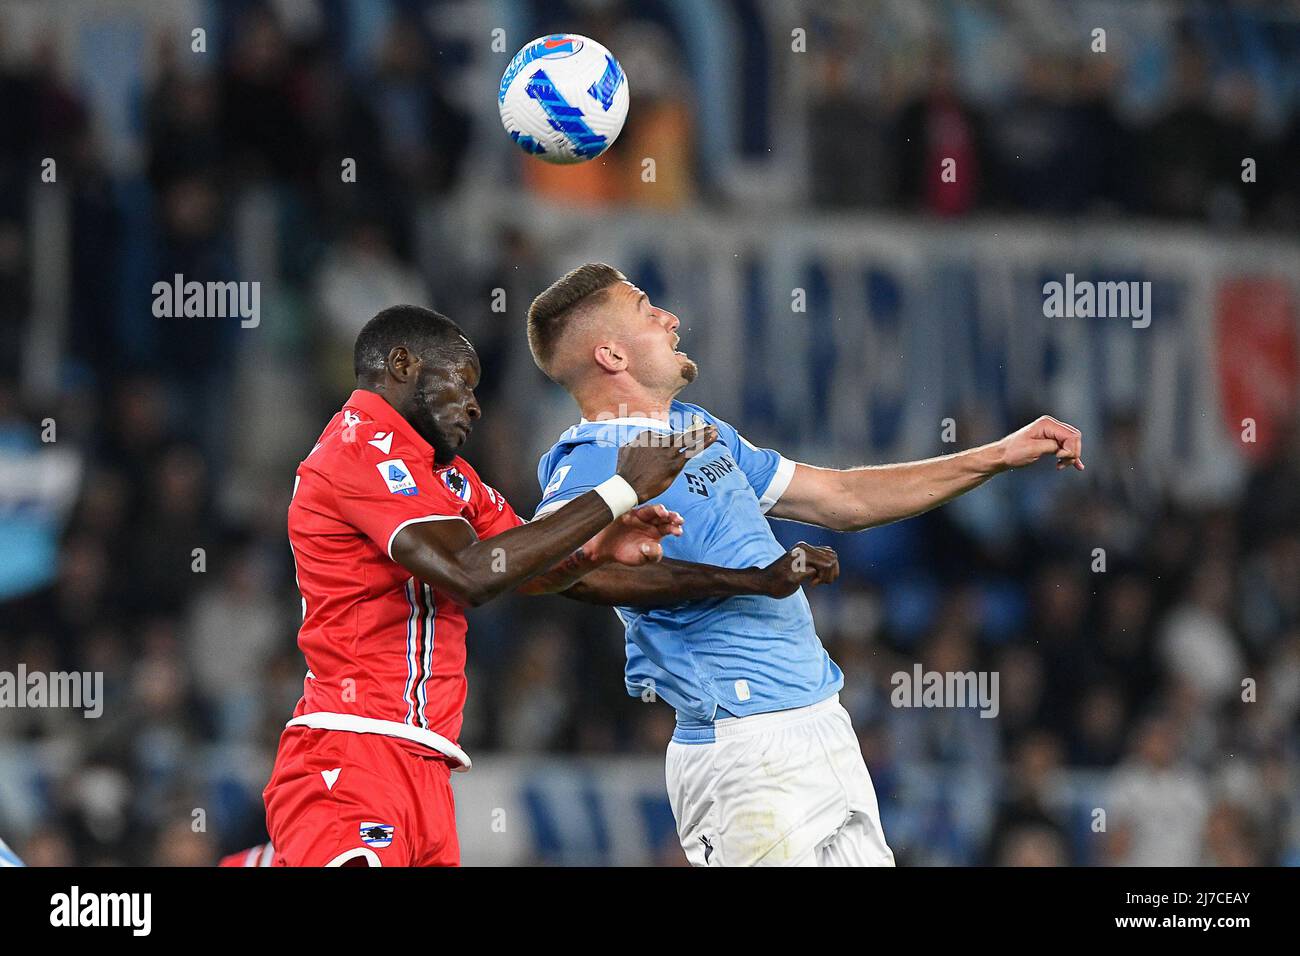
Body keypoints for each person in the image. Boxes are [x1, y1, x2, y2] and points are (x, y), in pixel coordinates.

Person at [526, 263, 1086, 866]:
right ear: (609, 353)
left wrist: (996, 456)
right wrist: (741, 583)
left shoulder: (696, 429)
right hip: (742, 742)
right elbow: (545, 564)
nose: (670, 318)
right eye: (646, 309)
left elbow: (841, 498)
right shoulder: (587, 460)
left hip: (821, 720)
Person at [263, 304, 715, 866]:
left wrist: (594, 547)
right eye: (461, 382)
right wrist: (620, 489)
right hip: (350, 754)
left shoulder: (446, 474)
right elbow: (471, 575)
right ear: (403, 365)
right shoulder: (356, 451)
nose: (475, 404)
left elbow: (522, 567)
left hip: (423, 767)